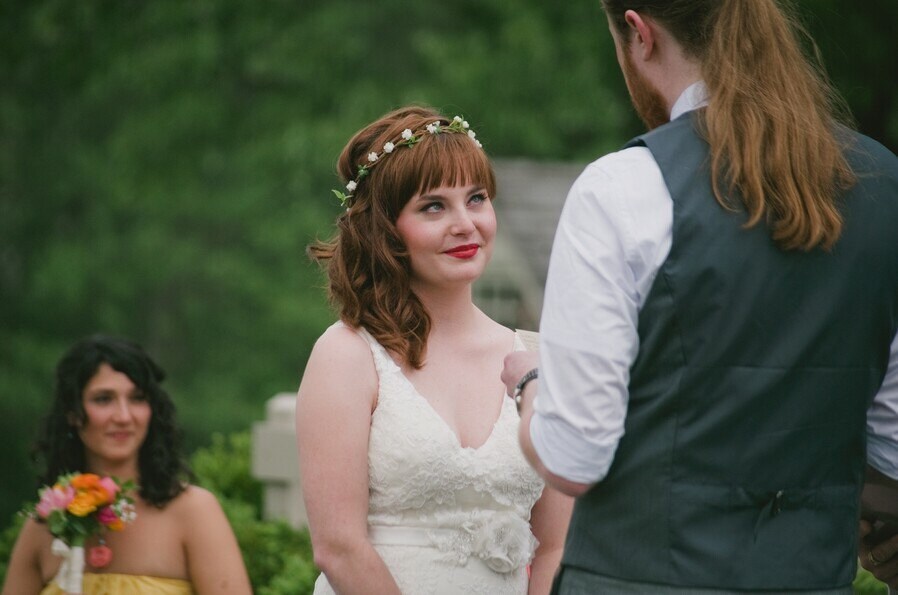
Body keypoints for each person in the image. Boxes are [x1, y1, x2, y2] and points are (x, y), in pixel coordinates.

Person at [501, 1, 898, 593]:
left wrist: (532, 385)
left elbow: (573, 458)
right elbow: (890, 441)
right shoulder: (884, 187)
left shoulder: (621, 189)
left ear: (639, 33)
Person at [296, 105, 572, 595]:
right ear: (385, 229)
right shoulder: (348, 355)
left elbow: (554, 546)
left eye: (477, 198)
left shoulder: (534, 357)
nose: (465, 224)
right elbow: (338, 546)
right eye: (433, 206)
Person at [2, 335, 252, 595]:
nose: (123, 416)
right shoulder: (43, 527)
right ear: (73, 413)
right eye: (103, 399)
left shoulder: (193, 511)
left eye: (137, 398)